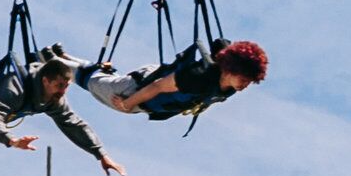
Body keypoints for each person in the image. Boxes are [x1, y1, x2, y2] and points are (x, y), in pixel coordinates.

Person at [83, 39, 269, 123]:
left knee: (96, 82)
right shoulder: (198, 77)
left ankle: (63, 59)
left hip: (151, 99)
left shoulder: (229, 87)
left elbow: (222, 44)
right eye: (244, 79)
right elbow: (158, 86)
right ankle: (61, 62)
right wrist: (127, 103)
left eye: (249, 82)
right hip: (143, 87)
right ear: (230, 70)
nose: (245, 86)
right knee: (91, 83)